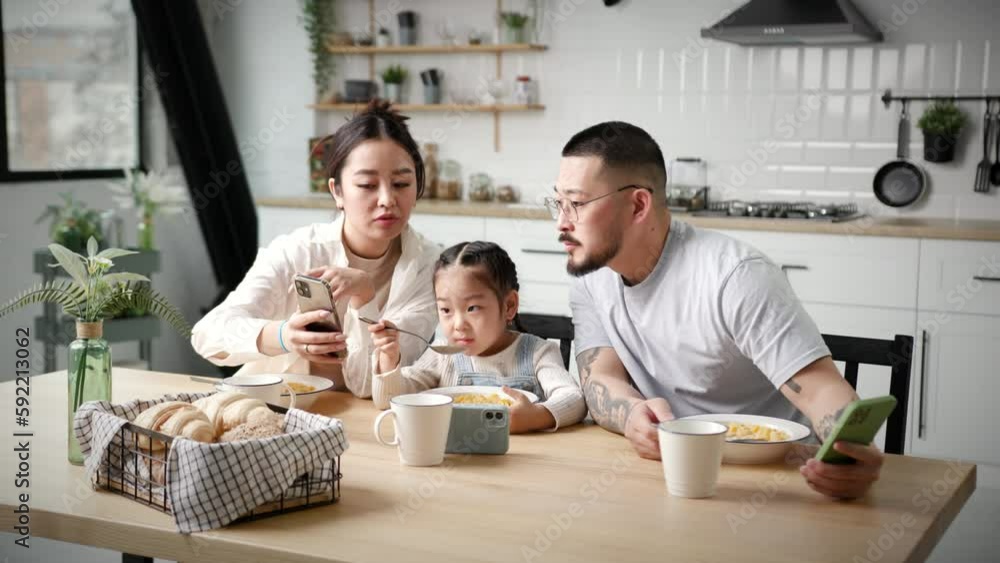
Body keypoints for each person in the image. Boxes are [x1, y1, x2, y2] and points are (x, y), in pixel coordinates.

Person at [548, 121, 882, 499]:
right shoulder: (592, 275)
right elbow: (600, 377)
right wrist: (631, 415)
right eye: (558, 203)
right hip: (678, 472)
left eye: (576, 204)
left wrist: (852, 453)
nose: (561, 222)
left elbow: (820, 390)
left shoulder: (735, 276)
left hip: (778, 477)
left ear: (638, 205)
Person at [191, 100, 440, 398]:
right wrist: (283, 336)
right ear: (337, 192)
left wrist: (364, 296)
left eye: (401, 183)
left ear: (417, 186)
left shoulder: (429, 267)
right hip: (277, 406)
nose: (387, 199)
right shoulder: (298, 251)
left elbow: (371, 383)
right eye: (367, 185)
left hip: (368, 414)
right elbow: (208, 334)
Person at [370, 241, 587, 433]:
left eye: (472, 308)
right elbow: (388, 401)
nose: (458, 324)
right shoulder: (442, 355)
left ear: (509, 305)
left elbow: (574, 399)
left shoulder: (538, 353)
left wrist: (536, 417)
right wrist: (389, 357)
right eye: (446, 310)